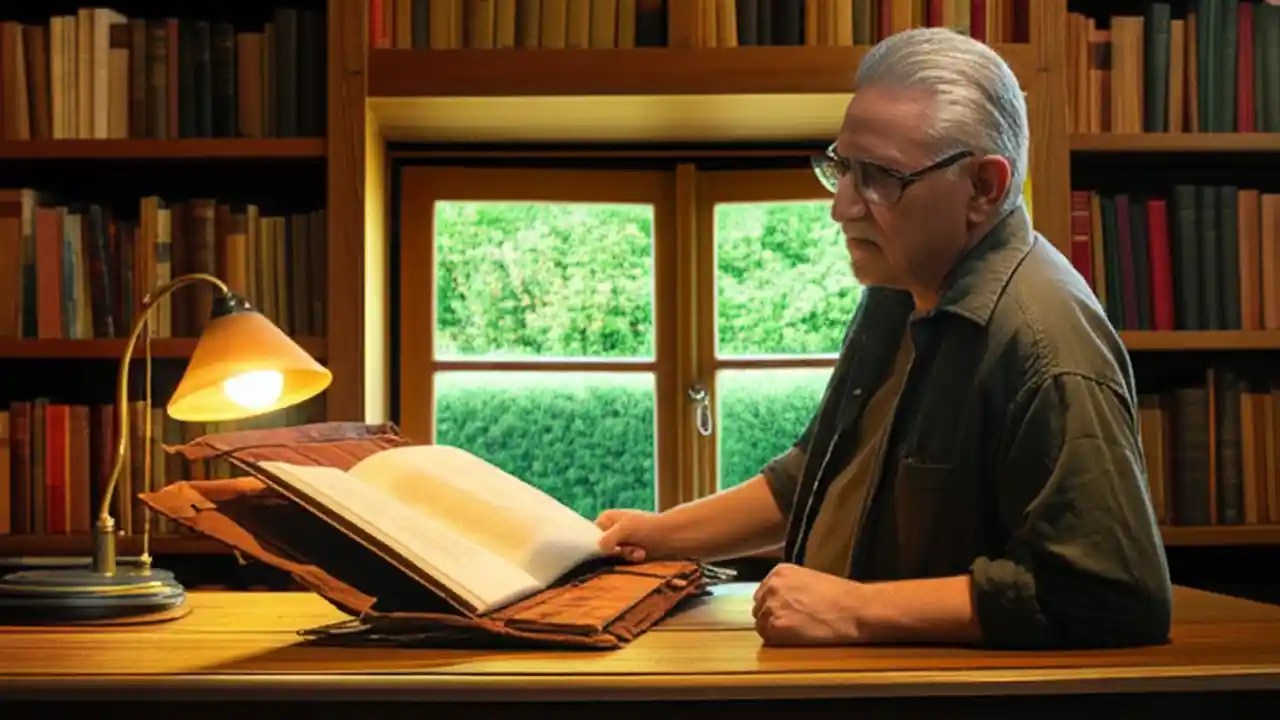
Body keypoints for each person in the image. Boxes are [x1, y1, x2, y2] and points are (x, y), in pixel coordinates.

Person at [594, 27, 1173, 650]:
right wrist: (660, 532)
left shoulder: (1046, 341)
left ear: (984, 187)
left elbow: (1111, 593)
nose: (841, 206)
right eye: (842, 167)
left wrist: (855, 609)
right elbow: (811, 476)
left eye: (879, 178)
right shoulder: (899, 284)